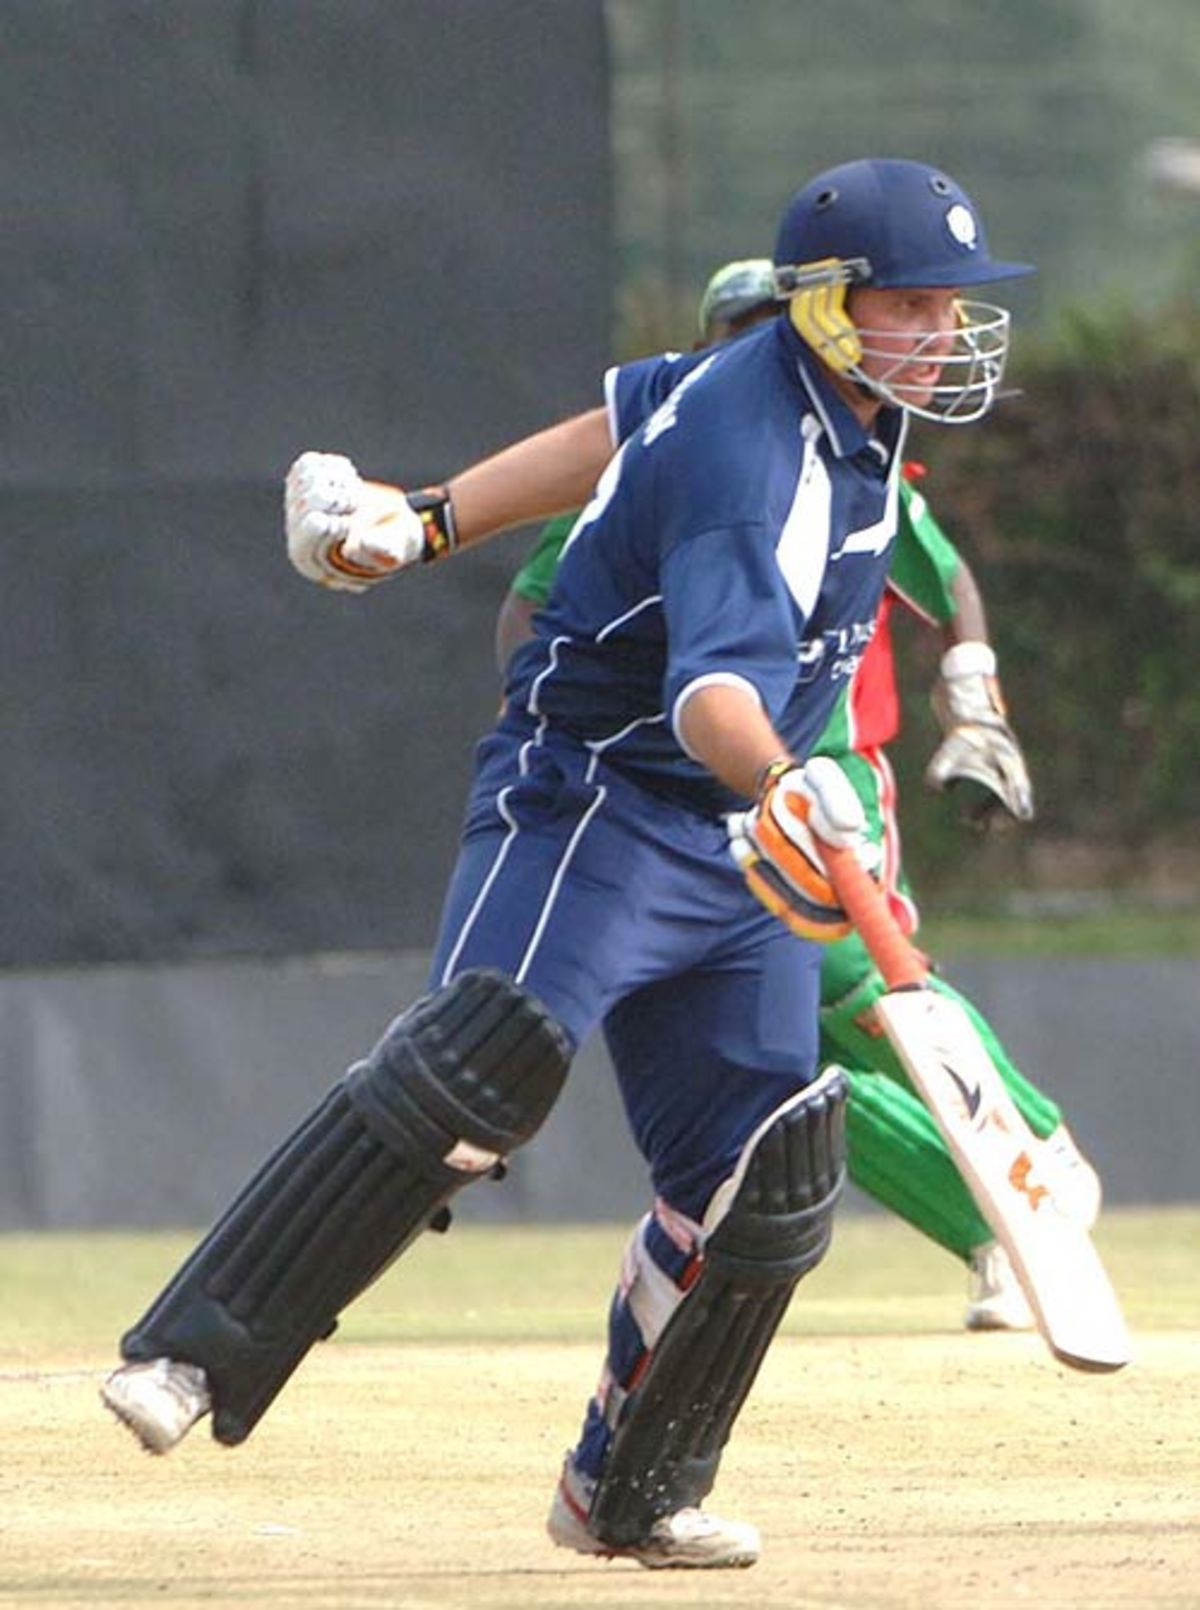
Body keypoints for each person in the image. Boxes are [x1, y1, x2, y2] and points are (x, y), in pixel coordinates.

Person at [102, 158, 1036, 1571]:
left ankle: (632, 1488)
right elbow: (708, 696)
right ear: (828, 304)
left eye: (950, 304)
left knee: (763, 1180)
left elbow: (609, 422)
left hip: (737, 841)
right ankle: (196, 1353)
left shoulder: (838, 404)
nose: (943, 330)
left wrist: (421, 520)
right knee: (476, 1070)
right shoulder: (752, 454)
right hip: (597, 797)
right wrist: (798, 779)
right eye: (911, 303)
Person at [497, 259, 1100, 1335]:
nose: (760, 351)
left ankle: (1034, 1144)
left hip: (826, 769)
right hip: (676, 790)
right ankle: (993, 1220)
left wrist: (977, 704)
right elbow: (536, 597)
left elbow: (945, 574)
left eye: (772, 326)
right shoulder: (674, 452)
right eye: (739, 331)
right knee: (790, 1080)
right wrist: (552, 726)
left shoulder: (858, 452)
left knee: (855, 973)